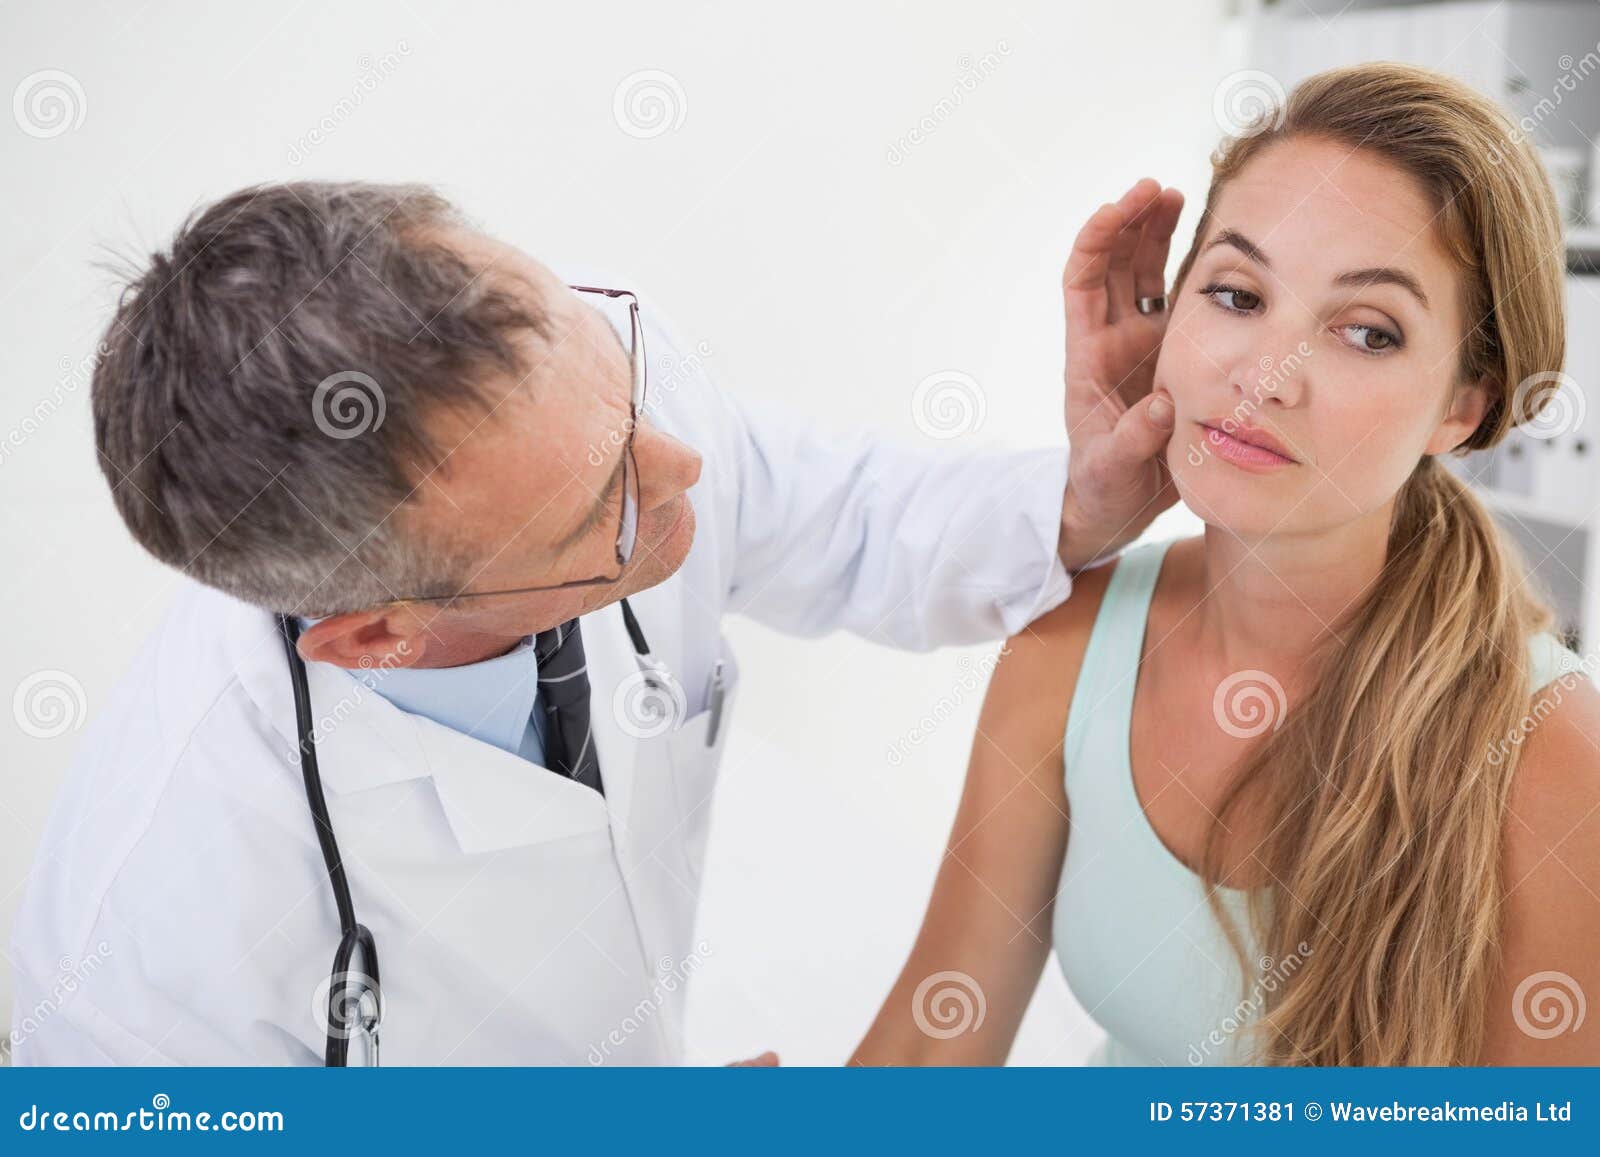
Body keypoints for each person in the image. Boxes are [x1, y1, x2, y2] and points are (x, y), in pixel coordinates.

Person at [9, 177, 1182, 1064]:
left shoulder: (567, 383)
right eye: (601, 509)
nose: (681, 466)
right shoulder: (149, 957)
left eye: (629, 395)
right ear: (376, 635)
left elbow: (846, 520)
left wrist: (1076, 503)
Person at [851, 62, 1600, 1068]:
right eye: (1237, 295)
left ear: (1463, 406)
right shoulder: (1070, 638)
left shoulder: (1553, 753)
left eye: (1366, 331)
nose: (1264, 376)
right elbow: (928, 1054)